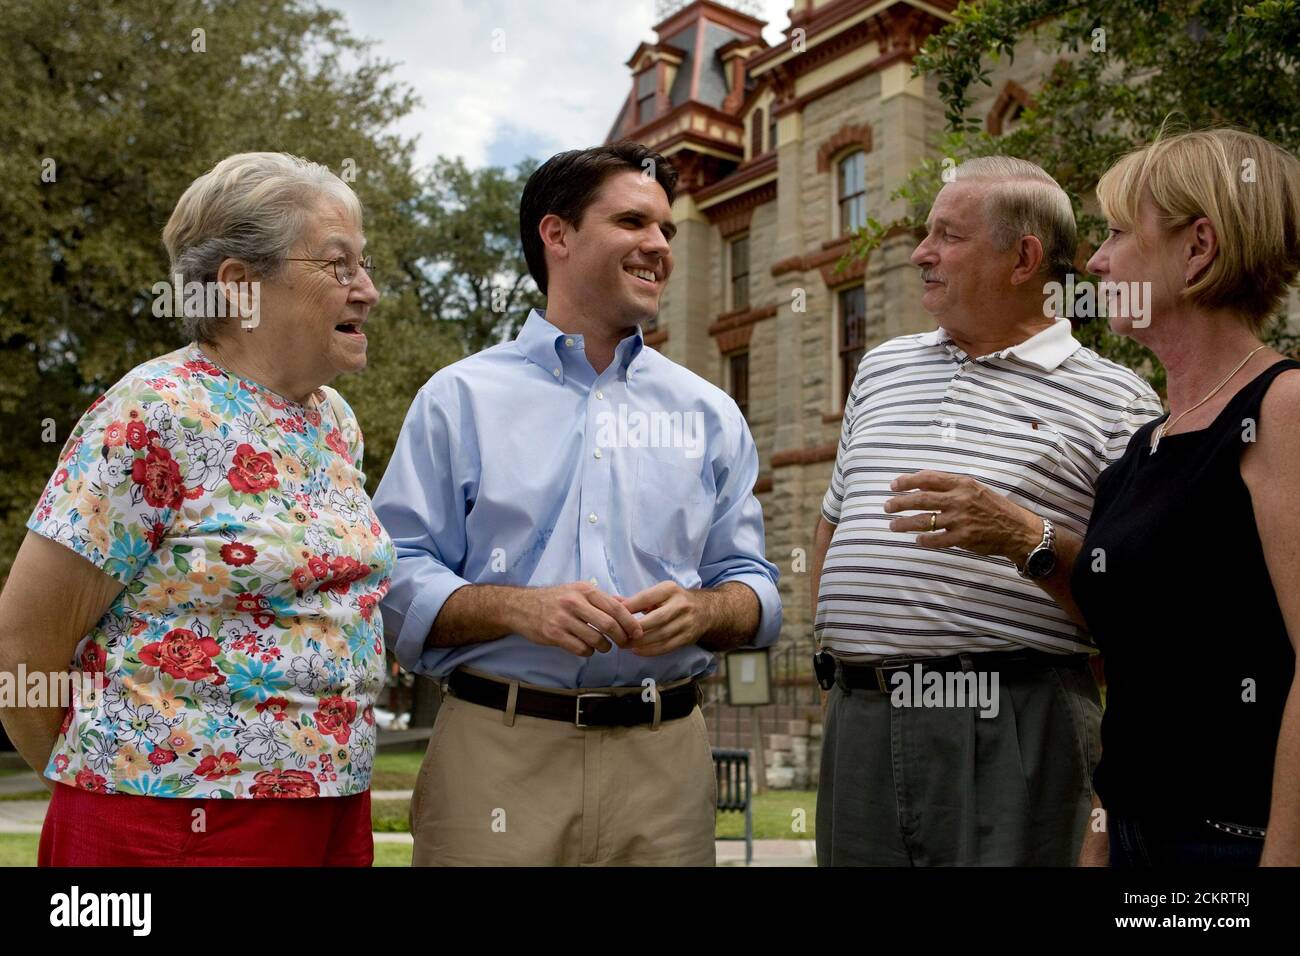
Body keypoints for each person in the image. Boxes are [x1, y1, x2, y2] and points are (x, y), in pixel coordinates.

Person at [373, 142, 781, 866]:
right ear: (556, 236)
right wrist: (517, 607)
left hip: (667, 774)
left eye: (666, 230)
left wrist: (706, 610)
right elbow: (391, 576)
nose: (658, 247)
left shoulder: (710, 414)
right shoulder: (458, 398)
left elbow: (754, 588)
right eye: (632, 222)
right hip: (496, 760)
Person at [0, 152, 393, 866]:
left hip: (333, 810)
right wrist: (109, 780)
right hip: (163, 826)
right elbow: (22, 647)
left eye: (363, 265)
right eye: (338, 265)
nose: (366, 289)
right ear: (241, 286)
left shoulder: (334, 420)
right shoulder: (153, 412)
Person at [811, 157, 1163, 866]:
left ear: (1024, 257)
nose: (921, 252)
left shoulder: (1120, 402)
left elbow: (1146, 610)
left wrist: (1022, 536)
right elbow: (832, 523)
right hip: (861, 724)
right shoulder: (880, 370)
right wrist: (839, 673)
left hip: (1013, 726)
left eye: (948, 235)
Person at [1070, 128, 1300, 866]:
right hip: (1135, 839)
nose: (1096, 261)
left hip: (1234, 846)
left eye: (1114, 233)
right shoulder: (1142, 449)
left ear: (1197, 247)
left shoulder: (1282, 407)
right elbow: (1139, 680)